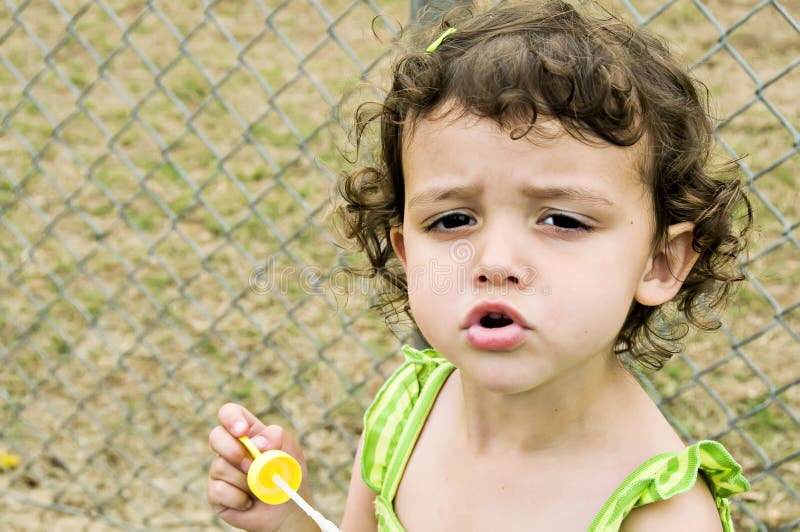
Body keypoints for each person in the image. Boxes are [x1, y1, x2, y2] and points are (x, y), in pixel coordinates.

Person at [206, 1, 753, 530]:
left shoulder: (660, 515)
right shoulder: (407, 414)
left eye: (562, 221)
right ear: (407, 254)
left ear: (660, 262)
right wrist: (291, 520)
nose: (494, 262)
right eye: (451, 221)